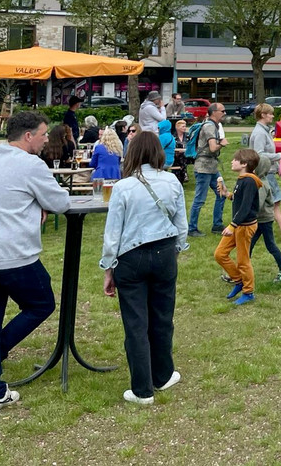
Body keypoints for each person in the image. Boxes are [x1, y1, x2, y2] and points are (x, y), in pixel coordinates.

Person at [0, 111, 71, 414]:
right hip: (12, 255)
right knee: (42, 304)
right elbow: (61, 202)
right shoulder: (29, 164)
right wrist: (39, 205)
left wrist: (33, 204)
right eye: (43, 133)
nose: (47, 138)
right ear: (27, 136)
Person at [99, 132, 188, 404]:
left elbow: (113, 232)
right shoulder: (172, 181)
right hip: (164, 251)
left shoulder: (124, 187)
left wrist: (108, 267)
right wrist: (176, 250)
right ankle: (162, 375)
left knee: (136, 323)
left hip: (131, 255)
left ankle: (142, 389)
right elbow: (181, 225)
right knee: (162, 317)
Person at [215, 148, 264, 306]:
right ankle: (238, 281)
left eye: (235, 159)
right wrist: (227, 193)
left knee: (243, 261)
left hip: (244, 226)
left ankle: (248, 292)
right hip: (238, 225)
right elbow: (239, 198)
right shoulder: (242, 179)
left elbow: (245, 207)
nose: (231, 161)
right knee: (220, 254)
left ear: (244, 164)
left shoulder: (249, 181)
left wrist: (232, 225)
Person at [249, 103, 281, 241]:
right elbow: (259, 154)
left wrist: (278, 168)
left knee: (265, 202)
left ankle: (253, 230)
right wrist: (279, 156)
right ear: (263, 115)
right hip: (264, 172)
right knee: (274, 200)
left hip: (268, 171)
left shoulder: (264, 131)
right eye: (270, 113)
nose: (272, 116)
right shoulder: (259, 133)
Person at [187, 103, 229, 236]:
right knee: (200, 199)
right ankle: (192, 228)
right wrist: (221, 144)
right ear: (214, 112)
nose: (225, 113)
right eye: (222, 111)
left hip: (212, 167)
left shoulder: (212, 125)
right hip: (204, 168)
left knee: (221, 193)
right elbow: (212, 148)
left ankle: (217, 225)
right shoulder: (210, 127)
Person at [249, 166, 281, 284]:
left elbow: (259, 204)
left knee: (270, 245)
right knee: (249, 244)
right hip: (259, 219)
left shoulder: (262, 184)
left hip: (264, 220)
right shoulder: (258, 181)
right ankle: (241, 271)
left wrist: (247, 211)